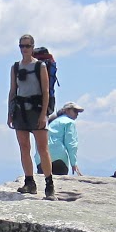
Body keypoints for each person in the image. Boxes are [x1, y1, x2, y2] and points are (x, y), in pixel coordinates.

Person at [7, 33, 54, 197]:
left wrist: (43, 115)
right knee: (24, 147)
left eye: (27, 46)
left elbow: (46, 92)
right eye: (21, 46)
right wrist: (10, 113)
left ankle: (49, 185)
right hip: (20, 110)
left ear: (32, 47)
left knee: (43, 149)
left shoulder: (40, 66)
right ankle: (29, 182)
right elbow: (13, 91)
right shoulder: (15, 67)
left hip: (36, 109)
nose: (24, 49)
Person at [44, 103, 84, 176]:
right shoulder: (69, 122)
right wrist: (73, 163)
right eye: (75, 111)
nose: (77, 114)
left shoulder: (51, 123)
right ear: (67, 111)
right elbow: (71, 144)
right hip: (59, 158)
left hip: (42, 158)